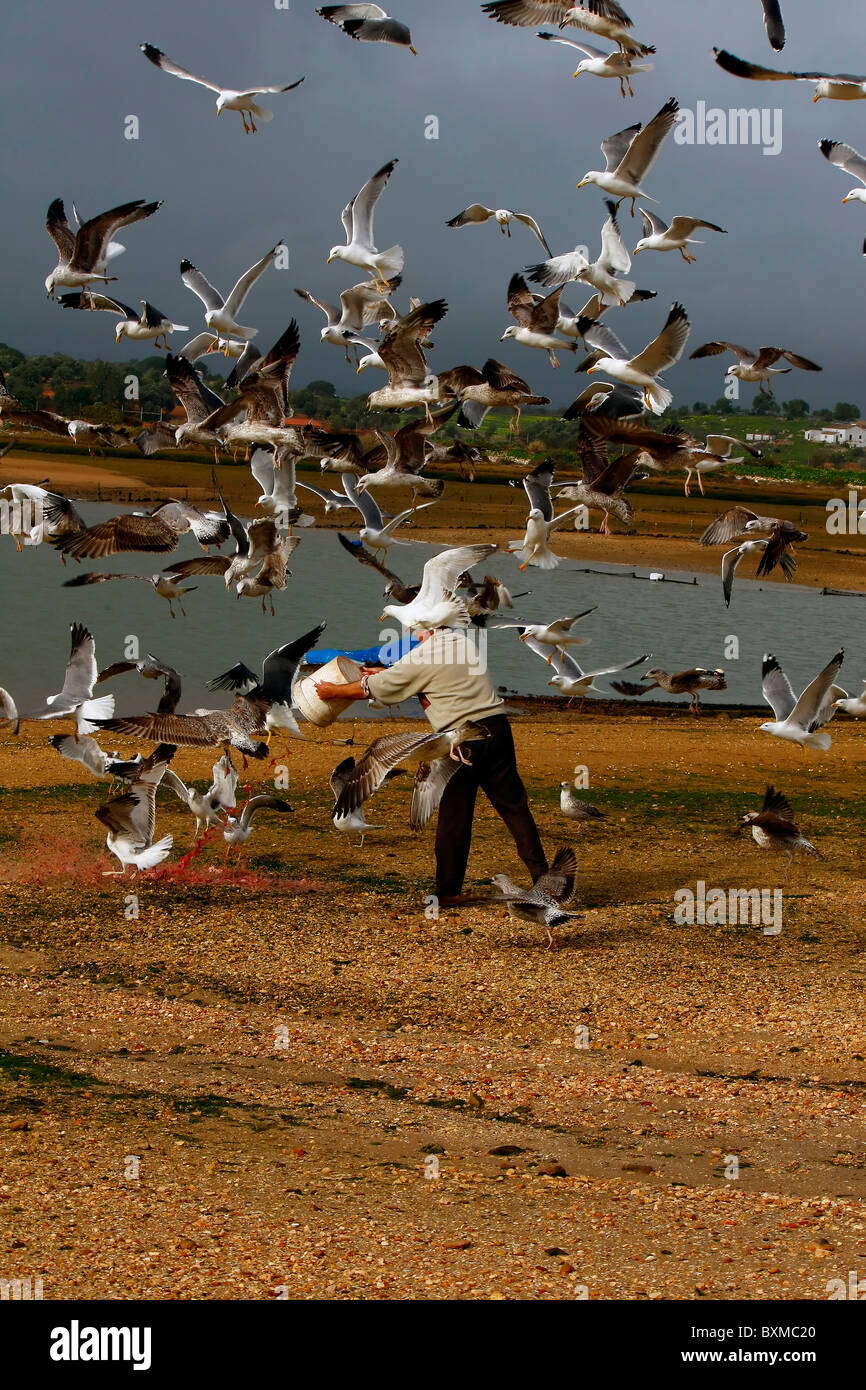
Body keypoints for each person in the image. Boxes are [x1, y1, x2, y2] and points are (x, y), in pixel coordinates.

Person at [315, 627, 548, 905]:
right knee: (514, 808)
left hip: (460, 739)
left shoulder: (426, 654)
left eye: (418, 630)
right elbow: (414, 675)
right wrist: (380, 673)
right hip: (497, 729)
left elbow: (379, 689)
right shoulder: (462, 644)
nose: (416, 636)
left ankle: (448, 892)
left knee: (455, 817)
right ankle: (545, 881)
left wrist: (333, 690)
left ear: (430, 627)